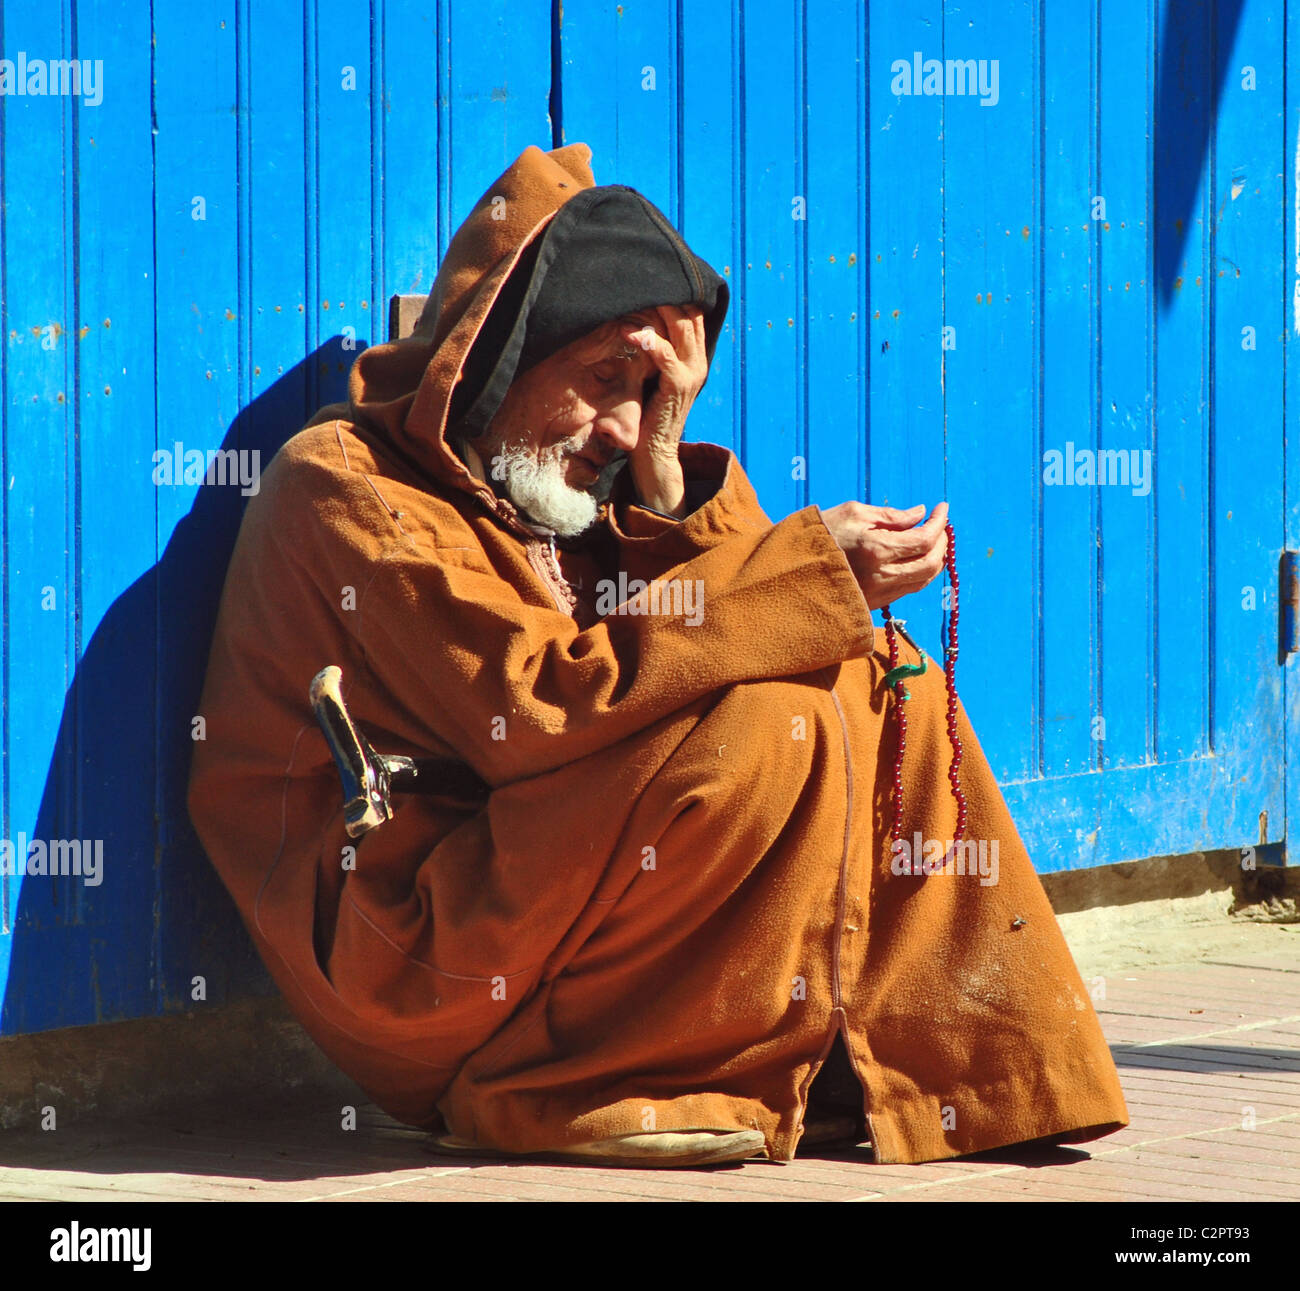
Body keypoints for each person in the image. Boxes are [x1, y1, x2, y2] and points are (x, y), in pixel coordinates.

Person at [188, 141, 1128, 1169]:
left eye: (657, 392)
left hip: (530, 892)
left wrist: (671, 474)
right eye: (604, 379)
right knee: (774, 723)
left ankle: (970, 1071)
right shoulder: (347, 487)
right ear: (501, 349)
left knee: (878, 672)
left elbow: (740, 628)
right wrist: (808, 573)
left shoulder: (567, 483)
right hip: (406, 947)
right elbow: (537, 704)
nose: (622, 426)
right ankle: (557, 1092)